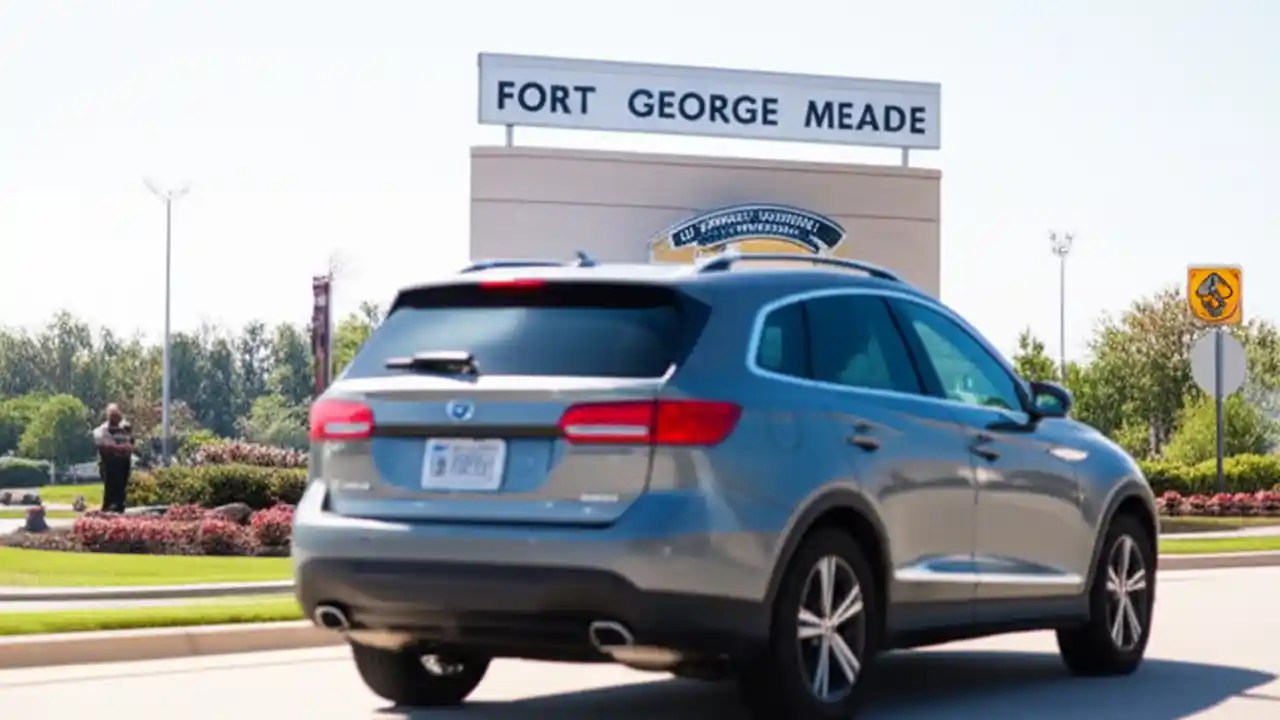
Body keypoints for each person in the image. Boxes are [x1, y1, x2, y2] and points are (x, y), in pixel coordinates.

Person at [92, 404, 134, 513]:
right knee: (110, 487)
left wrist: (125, 448)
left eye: (117, 415)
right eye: (113, 416)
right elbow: (103, 446)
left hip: (123, 463)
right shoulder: (102, 430)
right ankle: (108, 508)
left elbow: (129, 445)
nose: (116, 418)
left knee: (121, 488)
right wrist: (118, 449)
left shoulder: (124, 429)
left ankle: (119, 507)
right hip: (109, 464)